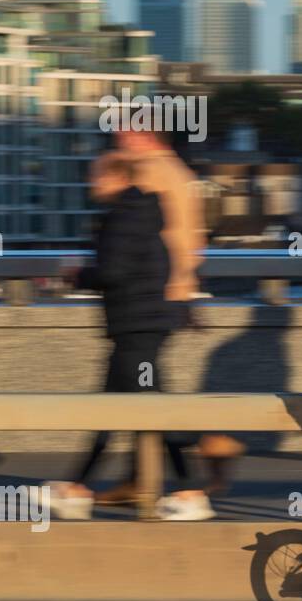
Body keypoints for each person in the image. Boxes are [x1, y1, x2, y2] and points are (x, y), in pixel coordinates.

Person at [50, 153, 213, 520]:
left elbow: (113, 271)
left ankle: (192, 492)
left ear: (115, 177)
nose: (93, 183)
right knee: (115, 409)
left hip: (137, 325)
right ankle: (77, 488)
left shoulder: (124, 216)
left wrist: (77, 275)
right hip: (141, 323)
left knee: (153, 410)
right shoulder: (142, 212)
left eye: (97, 176)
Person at [96, 124, 244, 503]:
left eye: (125, 135)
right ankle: (141, 479)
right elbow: (191, 239)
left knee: (145, 391)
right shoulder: (181, 172)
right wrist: (186, 290)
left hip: (148, 298)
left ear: (146, 135)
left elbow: (135, 238)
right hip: (168, 294)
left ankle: (208, 448)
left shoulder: (148, 171)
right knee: (139, 389)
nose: (119, 142)